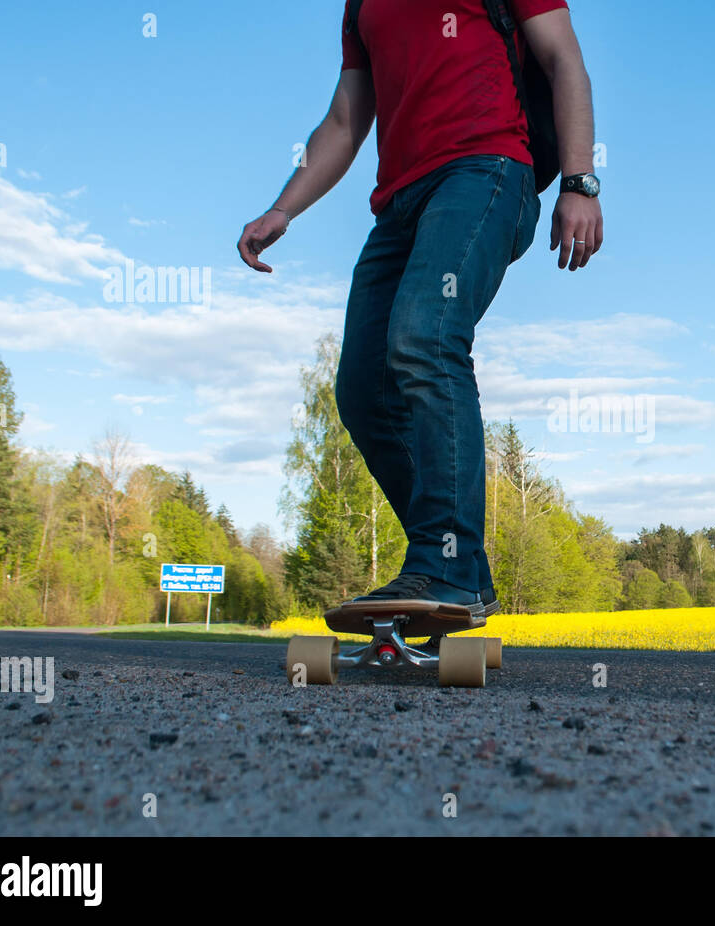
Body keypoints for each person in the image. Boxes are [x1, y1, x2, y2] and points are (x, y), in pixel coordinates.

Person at [237, 1, 601, 617]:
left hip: (487, 173)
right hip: (400, 205)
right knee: (363, 391)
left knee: (425, 337)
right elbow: (344, 120)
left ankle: (445, 566)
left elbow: (564, 58)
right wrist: (284, 206)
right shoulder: (362, 5)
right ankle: (461, 572)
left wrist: (579, 180)